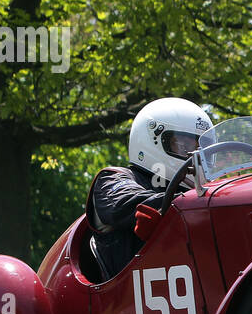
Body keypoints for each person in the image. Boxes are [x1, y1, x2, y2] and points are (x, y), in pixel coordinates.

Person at [85, 97, 212, 280]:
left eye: (203, 149)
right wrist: (192, 201)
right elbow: (125, 202)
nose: (195, 155)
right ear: (153, 138)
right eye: (185, 146)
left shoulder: (200, 193)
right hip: (124, 302)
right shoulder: (112, 179)